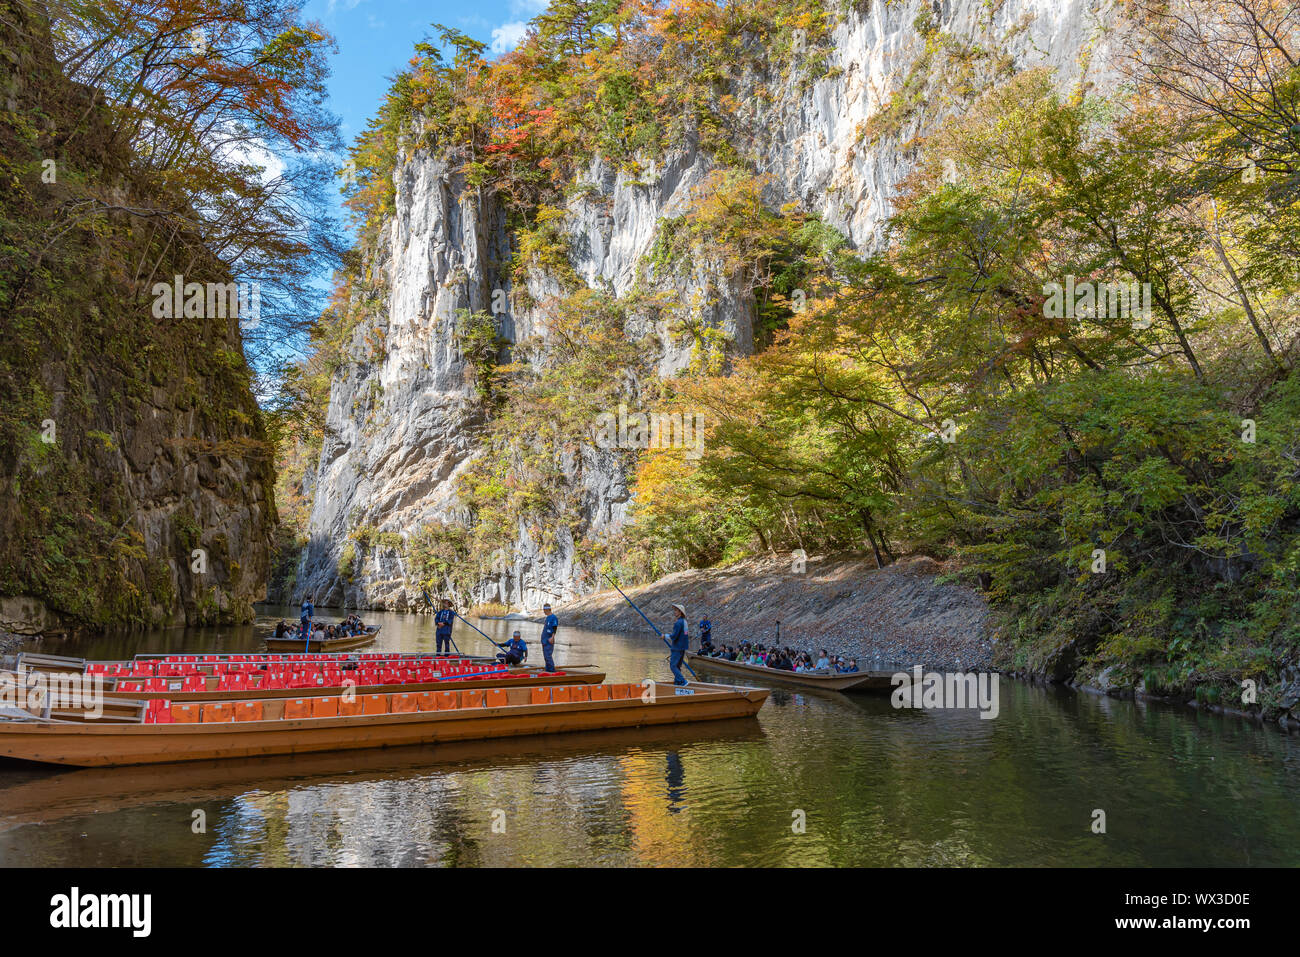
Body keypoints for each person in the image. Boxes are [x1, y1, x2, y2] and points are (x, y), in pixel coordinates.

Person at [667, 603, 689, 685]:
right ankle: (678, 682)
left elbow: (674, 636)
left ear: (680, 612)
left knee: (673, 666)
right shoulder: (684, 622)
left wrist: (664, 636)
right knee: (677, 666)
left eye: (676, 610)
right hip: (683, 647)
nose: (674, 612)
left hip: (677, 647)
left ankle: (683, 681)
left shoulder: (678, 623)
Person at [540, 603, 559, 672]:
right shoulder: (547, 618)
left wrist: (552, 637)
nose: (543, 611)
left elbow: (555, 628)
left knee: (548, 656)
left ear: (547, 609)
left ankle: (552, 671)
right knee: (545, 657)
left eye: (544, 610)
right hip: (544, 640)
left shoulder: (553, 617)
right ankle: (547, 670)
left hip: (549, 640)